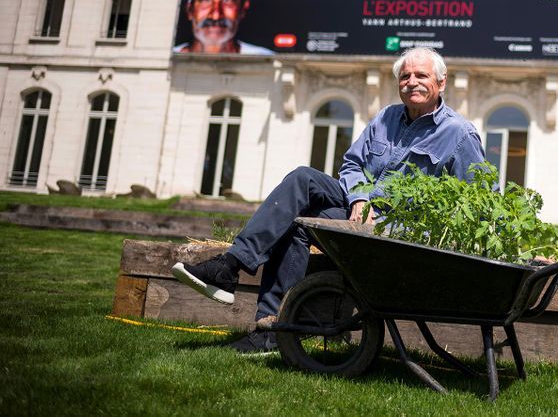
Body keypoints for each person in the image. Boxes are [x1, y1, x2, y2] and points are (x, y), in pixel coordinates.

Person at [172, 47, 485, 354]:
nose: (411, 82)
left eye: (421, 75)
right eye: (405, 76)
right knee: (302, 179)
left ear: (441, 83)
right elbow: (352, 165)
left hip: (394, 231)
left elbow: (476, 200)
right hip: (358, 210)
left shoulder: (458, 134)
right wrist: (360, 199)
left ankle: (238, 286)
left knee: (297, 222)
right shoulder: (387, 117)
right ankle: (242, 286)